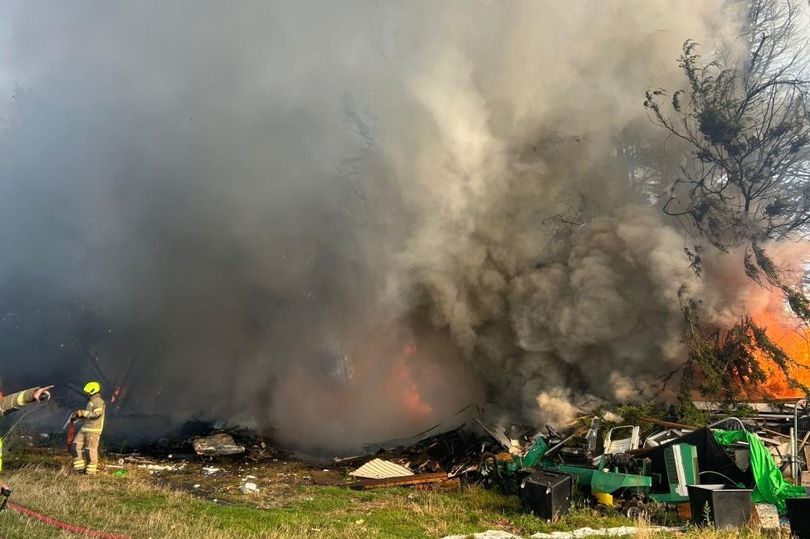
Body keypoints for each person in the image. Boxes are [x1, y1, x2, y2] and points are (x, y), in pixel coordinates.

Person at [72, 381, 105, 475]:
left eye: (88, 391)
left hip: (93, 430)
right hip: (85, 428)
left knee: (90, 451)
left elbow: (97, 414)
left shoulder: (98, 401)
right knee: (75, 447)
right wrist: (78, 416)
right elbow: (89, 415)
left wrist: (82, 412)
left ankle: (90, 473)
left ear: (93, 391)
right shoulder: (92, 401)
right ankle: (79, 470)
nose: (86, 393)